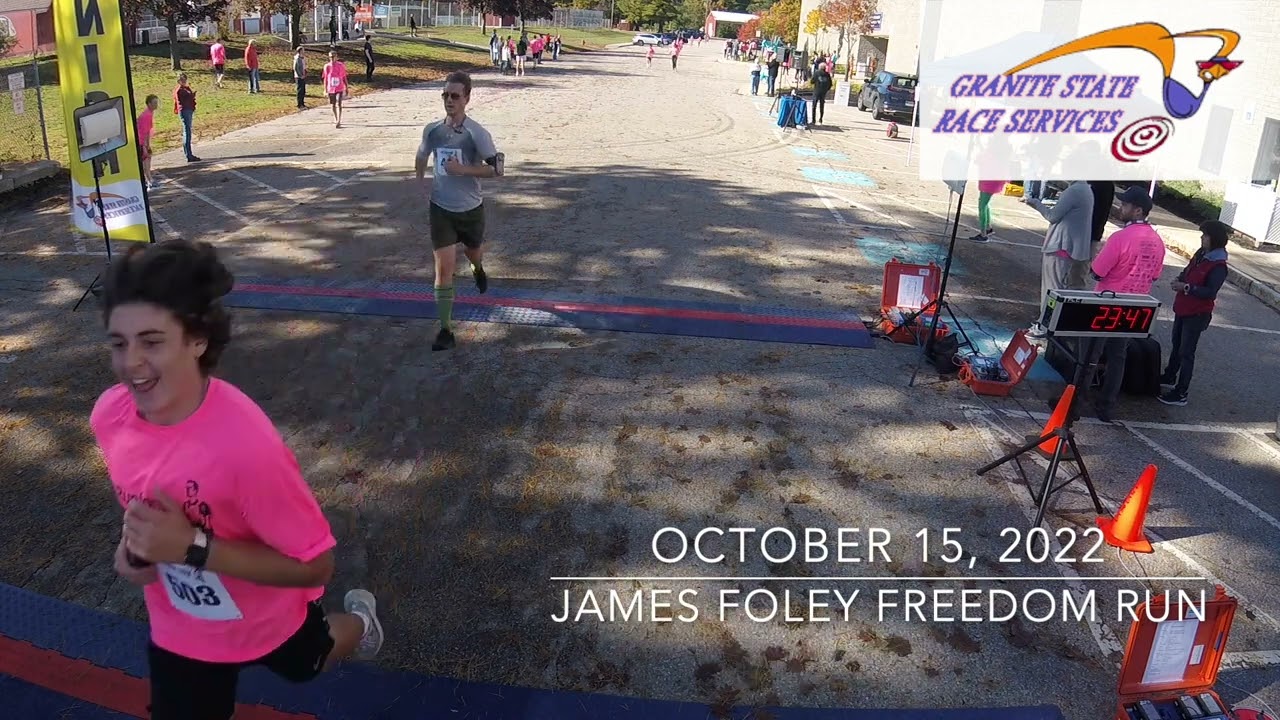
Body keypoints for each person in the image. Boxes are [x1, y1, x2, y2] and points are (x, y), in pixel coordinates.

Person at [93, 239, 384, 720]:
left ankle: (361, 619)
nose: (131, 363)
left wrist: (191, 548)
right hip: (181, 629)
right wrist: (134, 553)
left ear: (198, 340)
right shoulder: (109, 417)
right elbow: (140, 519)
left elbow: (316, 568)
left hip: (269, 619)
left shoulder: (246, 450)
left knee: (308, 664)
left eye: (152, 341)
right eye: (118, 343)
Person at [414, 71, 503, 352]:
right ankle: (445, 330)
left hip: (470, 208)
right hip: (441, 208)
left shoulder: (477, 133)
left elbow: (497, 169)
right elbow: (420, 156)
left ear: (466, 98)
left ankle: (477, 268)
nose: (449, 101)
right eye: (445, 95)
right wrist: (420, 184)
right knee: (444, 269)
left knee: (473, 252)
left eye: (454, 96)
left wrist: (463, 169)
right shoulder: (433, 130)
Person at [1085, 186, 1166, 422]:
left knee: (1091, 354)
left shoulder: (1120, 238)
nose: (1121, 208)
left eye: (1125, 205)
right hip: (1136, 305)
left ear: (1137, 210)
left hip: (1109, 301)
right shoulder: (1157, 241)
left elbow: (1097, 272)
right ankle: (1106, 406)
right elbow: (1155, 275)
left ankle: (1076, 401)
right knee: (1118, 356)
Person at [1159, 220, 1230, 406]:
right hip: (1183, 307)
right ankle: (1169, 376)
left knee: (1186, 352)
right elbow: (1188, 271)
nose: (1202, 238)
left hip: (1197, 313)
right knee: (1176, 345)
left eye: (1205, 235)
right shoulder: (1201, 254)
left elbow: (1210, 292)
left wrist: (1187, 287)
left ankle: (1181, 392)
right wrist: (1180, 280)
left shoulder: (1218, 265)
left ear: (1213, 238)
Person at [1026, 179, 1094, 337]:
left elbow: (1052, 216)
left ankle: (1044, 326)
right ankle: (1052, 325)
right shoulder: (1086, 190)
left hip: (1060, 246)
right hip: (1070, 247)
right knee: (1059, 289)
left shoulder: (1074, 190)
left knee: (1051, 289)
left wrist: (1035, 202)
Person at [173, 73, 201, 163]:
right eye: (182, 79)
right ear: (179, 81)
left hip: (188, 110)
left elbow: (190, 97)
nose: (184, 81)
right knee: (187, 132)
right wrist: (191, 95)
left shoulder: (186, 89)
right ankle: (188, 155)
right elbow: (184, 99)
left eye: (185, 79)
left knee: (188, 131)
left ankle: (189, 154)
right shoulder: (179, 90)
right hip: (185, 111)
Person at [322, 50, 348, 128]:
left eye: (333, 57)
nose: (332, 58)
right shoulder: (327, 66)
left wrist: (346, 87)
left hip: (339, 87)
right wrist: (325, 89)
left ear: (336, 57)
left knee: (339, 103)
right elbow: (325, 78)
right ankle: (335, 118)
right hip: (331, 88)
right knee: (333, 104)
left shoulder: (341, 65)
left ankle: (338, 120)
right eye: (330, 57)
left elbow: (344, 77)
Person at [137, 94, 158, 189]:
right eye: (154, 103)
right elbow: (145, 132)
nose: (156, 105)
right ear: (149, 104)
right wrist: (146, 146)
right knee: (146, 161)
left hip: (143, 141)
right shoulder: (147, 115)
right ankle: (149, 181)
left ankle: (149, 180)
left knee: (147, 160)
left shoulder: (149, 113)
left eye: (156, 102)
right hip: (142, 142)